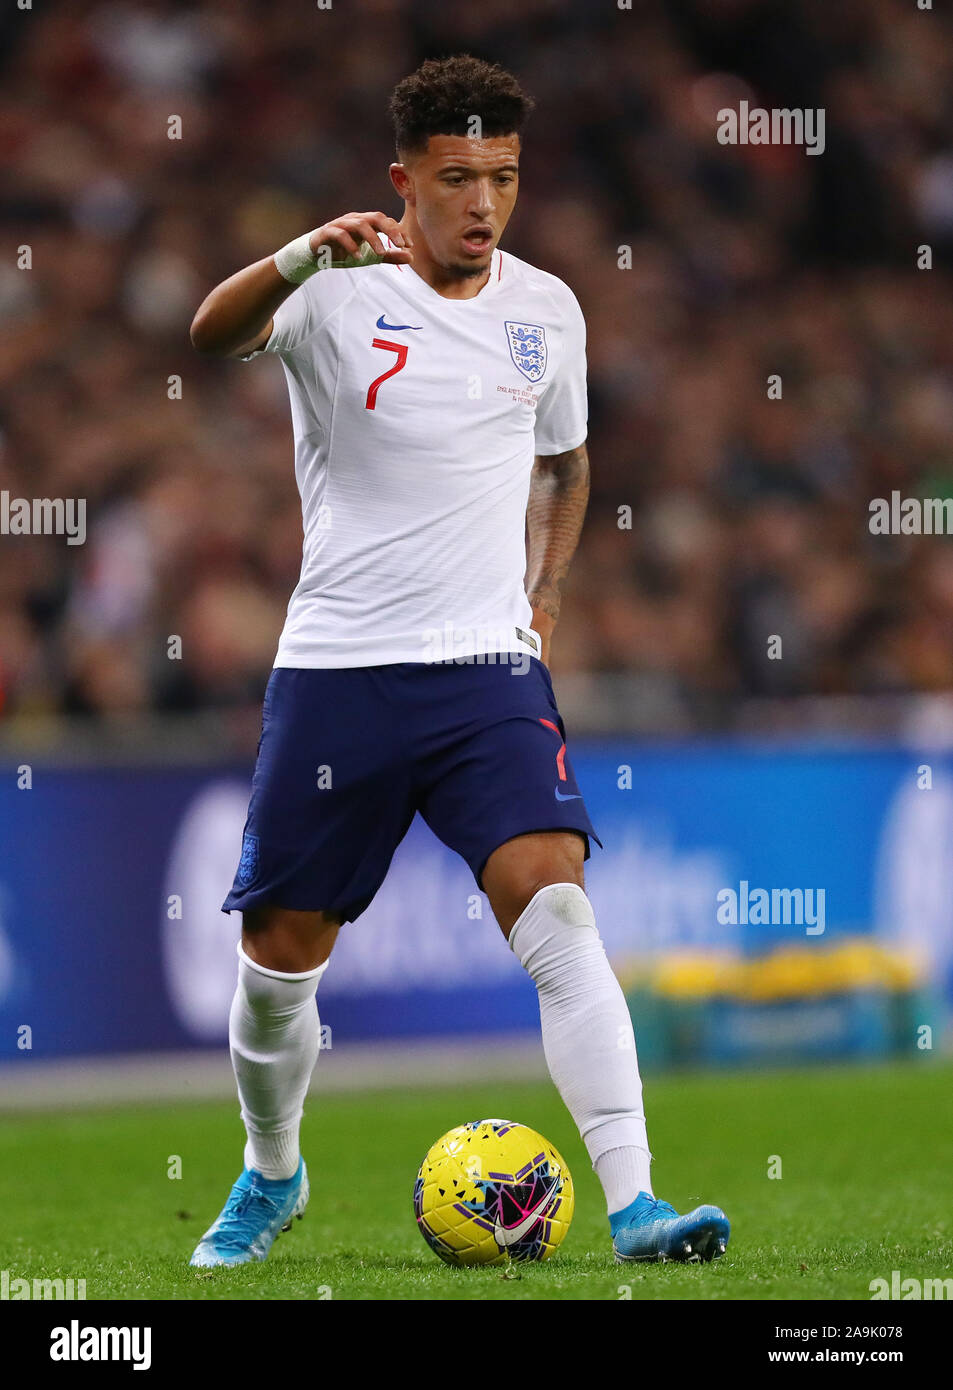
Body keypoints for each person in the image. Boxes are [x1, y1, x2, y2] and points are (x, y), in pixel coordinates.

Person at [188, 53, 729, 1268]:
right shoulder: (336, 290)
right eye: (456, 178)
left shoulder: (547, 310)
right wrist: (293, 257)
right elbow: (209, 331)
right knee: (279, 957)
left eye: (502, 176)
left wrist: (539, 598)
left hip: (486, 670)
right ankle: (271, 1174)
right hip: (338, 667)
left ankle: (636, 1202)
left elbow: (567, 462)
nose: (482, 202)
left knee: (558, 915)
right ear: (402, 182)